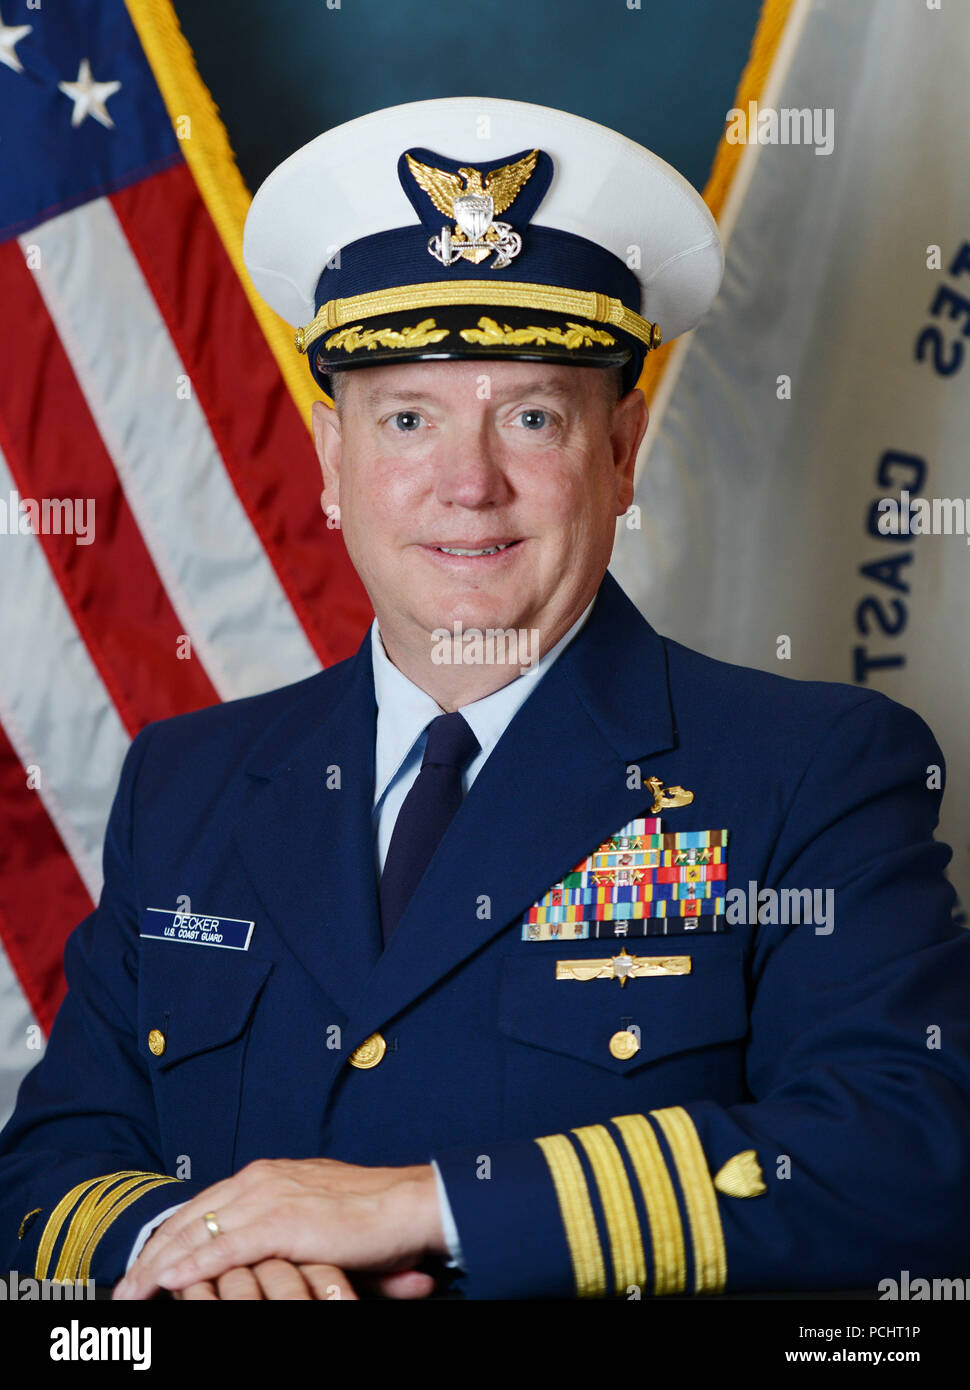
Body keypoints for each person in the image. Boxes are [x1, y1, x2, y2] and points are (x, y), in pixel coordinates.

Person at [2, 97, 969, 1302]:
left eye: (529, 417)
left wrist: (426, 1204)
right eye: (407, 417)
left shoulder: (811, 771)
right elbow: (48, 1166)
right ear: (330, 462)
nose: (467, 483)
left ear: (618, 456)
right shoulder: (187, 782)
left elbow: (910, 1163)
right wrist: (187, 1250)